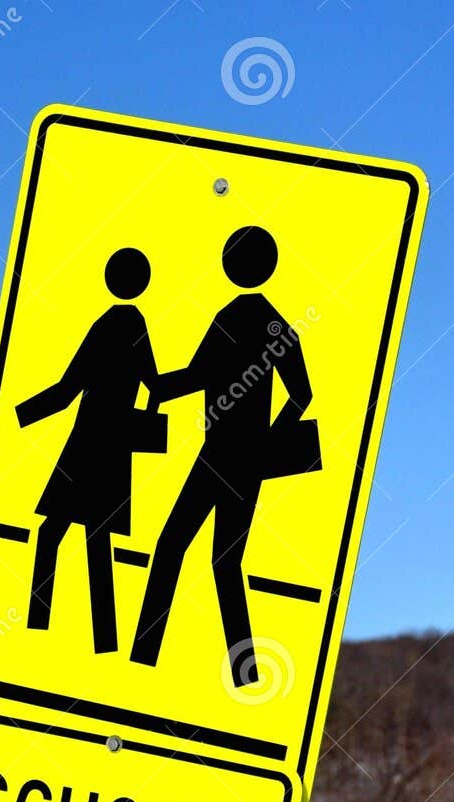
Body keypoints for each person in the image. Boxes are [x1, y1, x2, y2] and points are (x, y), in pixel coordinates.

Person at [129, 226, 313, 686]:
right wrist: (270, 440)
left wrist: (155, 387)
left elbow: (197, 376)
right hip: (242, 459)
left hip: (221, 456)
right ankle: (243, 674)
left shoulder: (236, 318)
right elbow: (301, 395)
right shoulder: (275, 323)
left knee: (171, 547)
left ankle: (142, 659)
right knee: (222, 562)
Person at [16, 247, 159, 655]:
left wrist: (21, 414)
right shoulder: (137, 324)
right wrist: (142, 420)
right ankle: (105, 644)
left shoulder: (110, 325)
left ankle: (36, 630)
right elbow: (155, 385)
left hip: (89, 443)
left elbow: (66, 391)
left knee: (52, 536)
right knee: (97, 544)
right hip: (114, 447)